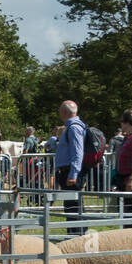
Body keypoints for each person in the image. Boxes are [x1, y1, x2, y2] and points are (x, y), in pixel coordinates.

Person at [55, 100, 87, 235]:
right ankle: (75, 235)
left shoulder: (74, 128)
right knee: (72, 207)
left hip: (70, 173)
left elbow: (78, 152)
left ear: (64, 112)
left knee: (73, 207)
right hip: (68, 172)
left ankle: (76, 237)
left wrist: (73, 174)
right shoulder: (72, 127)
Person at [112, 108, 132, 225]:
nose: (121, 124)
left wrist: (131, 179)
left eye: (122, 121)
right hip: (125, 178)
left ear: (127, 123)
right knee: (126, 210)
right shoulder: (129, 137)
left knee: (131, 210)